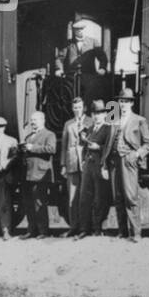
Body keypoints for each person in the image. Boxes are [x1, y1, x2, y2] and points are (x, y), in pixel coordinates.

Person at [108, 87, 149, 243]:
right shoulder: (114, 119)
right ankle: (122, 232)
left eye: (127, 101)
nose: (123, 104)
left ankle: (136, 233)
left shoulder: (140, 120)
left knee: (130, 197)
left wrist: (136, 154)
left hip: (129, 161)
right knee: (118, 197)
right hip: (114, 161)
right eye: (121, 101)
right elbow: (108, 142)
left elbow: (148, 144)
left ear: (131, 103)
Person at [19, 111, 57, 238]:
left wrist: (32, 148)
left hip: (41, 174)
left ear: (43, 120)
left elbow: (51, 149)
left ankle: (43, 231)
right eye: (31, 120)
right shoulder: (28, 136)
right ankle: (31, 230)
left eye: (35, 120)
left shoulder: (49, 134)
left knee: (39, 202)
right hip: (28, 174)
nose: (32, 122)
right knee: (28, 202)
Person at [77, 100, 112, 237]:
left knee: (99, 197)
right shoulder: (90, 129)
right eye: (95, 113)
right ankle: (85, 229)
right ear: (92, 115)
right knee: (84, 197)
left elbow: (110, 148)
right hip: (89, 166)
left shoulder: (108, 129)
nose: (98, 116)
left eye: (101, 113)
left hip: (100, 165)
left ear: (105, 114)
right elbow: (85, 146)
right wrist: (84, 160)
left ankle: (98, 228)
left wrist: (99, 148)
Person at [62, 19, 109, 103]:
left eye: (82, 29)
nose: (80, 31)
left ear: (84, 29)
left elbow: (102, 57)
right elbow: (60, 57)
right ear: (74, 31)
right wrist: (59, 69)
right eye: (77, 29)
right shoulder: (69, 44)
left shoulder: (93, 42)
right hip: (72, 78)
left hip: (88, 77)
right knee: (71, 100)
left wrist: (102, 68)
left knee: (88, 99)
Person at [60, 96, 89, 237]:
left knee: (86, 197)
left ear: (84, 108)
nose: (77, 110)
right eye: (75, 108)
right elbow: (64, 145)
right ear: (72, 109)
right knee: (72, 197)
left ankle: (86, 228)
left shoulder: (91, 121)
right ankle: (73, 227)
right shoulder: (68, 124)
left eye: (80, 107)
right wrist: (63, 165)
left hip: (87, 163)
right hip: (71, 163)